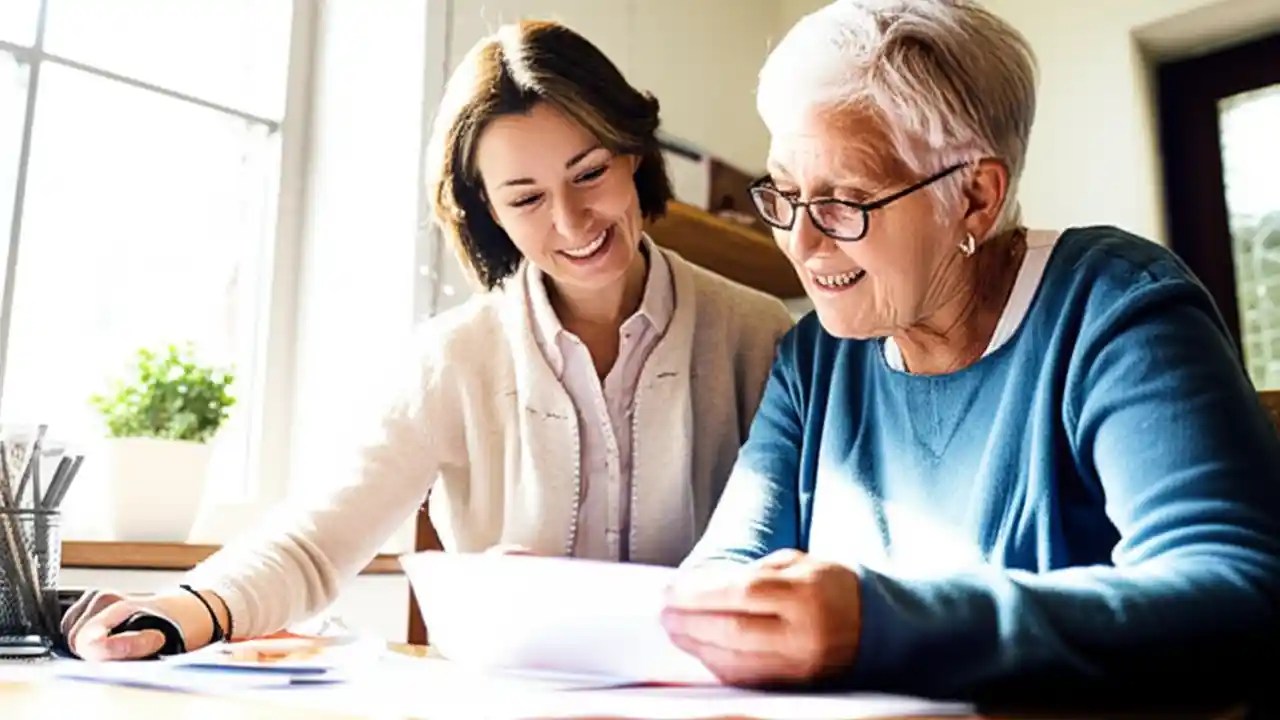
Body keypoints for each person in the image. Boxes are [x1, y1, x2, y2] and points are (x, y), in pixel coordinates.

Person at [63, 19, 792, 661]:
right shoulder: (455, 357)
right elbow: (317, 542)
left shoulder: (760, 336)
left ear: (633, 154)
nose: (572, 222)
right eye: (527, 198)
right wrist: (177, 614)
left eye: (590, 173)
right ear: (487, 213)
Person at [661, 0, 1280, 702]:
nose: (801, 243)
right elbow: (722, 575)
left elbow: (1238, 589)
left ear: (976, 199)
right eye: (786, 193)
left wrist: (881, 622)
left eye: (845, 203)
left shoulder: (1109, 303)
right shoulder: (813, 361)